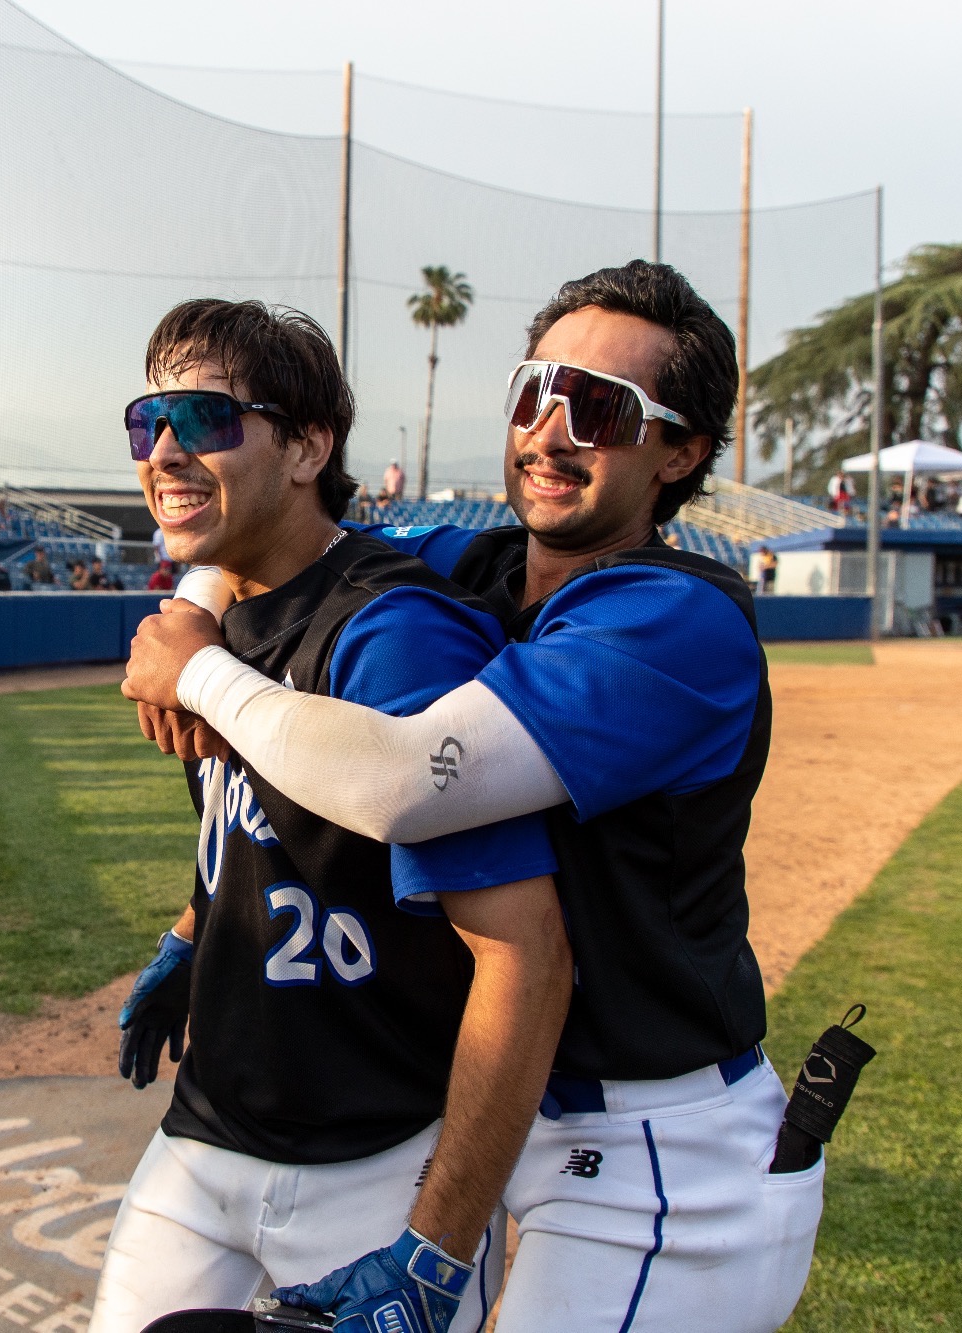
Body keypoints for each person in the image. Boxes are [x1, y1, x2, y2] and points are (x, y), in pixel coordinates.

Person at [125, 263, 816, 1331]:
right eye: (533, 391)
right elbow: (286, 537)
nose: (548, 430)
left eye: (597, 408)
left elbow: (403, 782)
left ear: (677, 452)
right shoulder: (486, 567)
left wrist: (198, 669)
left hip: (657, 1150)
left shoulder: (673, 622)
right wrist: (198, 593)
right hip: (515, 1121)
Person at [90, 299, 568, 1333]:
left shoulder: (388, 632)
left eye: (204, 419)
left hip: (374, 1162)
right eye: (147, 423)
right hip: (205, 1133)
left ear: (308, 445)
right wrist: (192, 928)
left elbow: (523, 950)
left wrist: (434, 1248)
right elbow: (257, 823)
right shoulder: (212, 607)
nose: (165, 450)